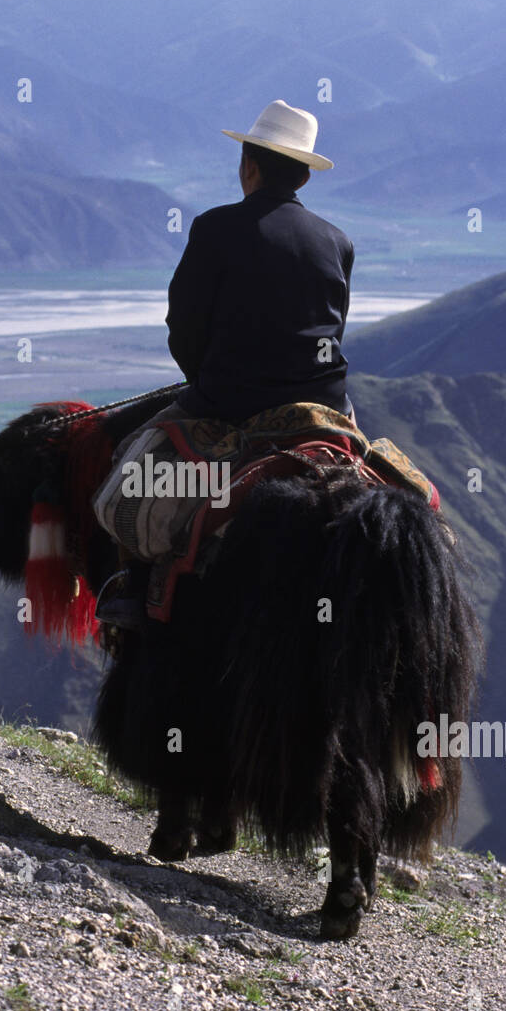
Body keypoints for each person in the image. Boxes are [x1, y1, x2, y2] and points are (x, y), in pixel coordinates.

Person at [96, 99, 356, 628]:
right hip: (325, 405)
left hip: (231, 400)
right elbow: (331, 331)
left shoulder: (215, 228)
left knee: (128, 472)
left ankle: (135, 587)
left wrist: (205, 381)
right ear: (305, 177)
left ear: (248, 166)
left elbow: (184, 327)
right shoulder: (338, 242)